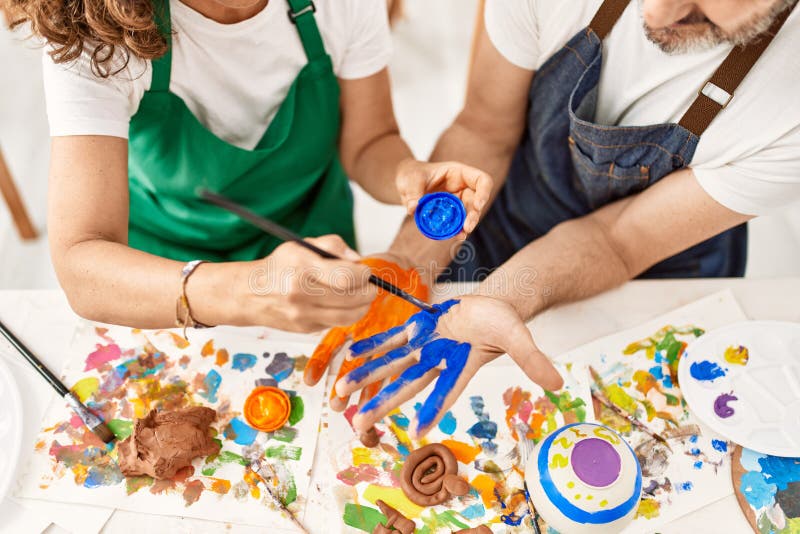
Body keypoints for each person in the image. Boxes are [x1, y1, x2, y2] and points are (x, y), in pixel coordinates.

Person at [333, 0, 800, 438]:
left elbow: (618, 241)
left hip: (660, 270)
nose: (657, 13)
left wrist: (505, 298)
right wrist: (410, 262)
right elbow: (483, 130)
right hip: (510, 211)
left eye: (701, 13)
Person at [1, 0, 491, 331]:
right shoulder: (92, 32)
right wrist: (245, 291)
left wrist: (404, 173)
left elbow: (370, 141)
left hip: (314, 237)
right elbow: (83, 268)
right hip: (159, 270)